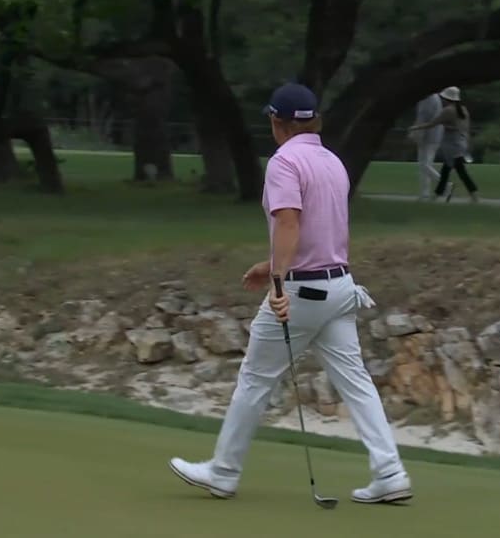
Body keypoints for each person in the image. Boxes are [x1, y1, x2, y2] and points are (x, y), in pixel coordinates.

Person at [168, 83, 412, 505]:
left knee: (255, 378)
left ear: (276, 121)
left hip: (303, 291)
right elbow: (321, 228)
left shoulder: (284, 161)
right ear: (313, 120)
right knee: (356, 383)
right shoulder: (332, 161)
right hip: (339, 287)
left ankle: (223, 473)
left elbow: (289, 223)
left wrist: (279, 280)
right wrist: (272, 266)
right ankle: (389, 471)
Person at [410, 86, 479, 203]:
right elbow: (464, 128)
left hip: (452, 146)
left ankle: (474, 196)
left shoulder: (448, 111)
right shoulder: (463, 110)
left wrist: (416, 127)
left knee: (460, 171)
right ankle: (437, 195)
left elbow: (432, 124)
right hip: (461, 143)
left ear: (447, 99)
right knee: (446, 171)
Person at [411, 92, 446, 200]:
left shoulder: (426, 100)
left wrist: (416, 133)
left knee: (424, 165)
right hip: (434, 135)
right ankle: (424, 193)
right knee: (425, 165)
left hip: (428, 136)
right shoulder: (434, 98)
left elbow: (422, 118)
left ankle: (444, 185)